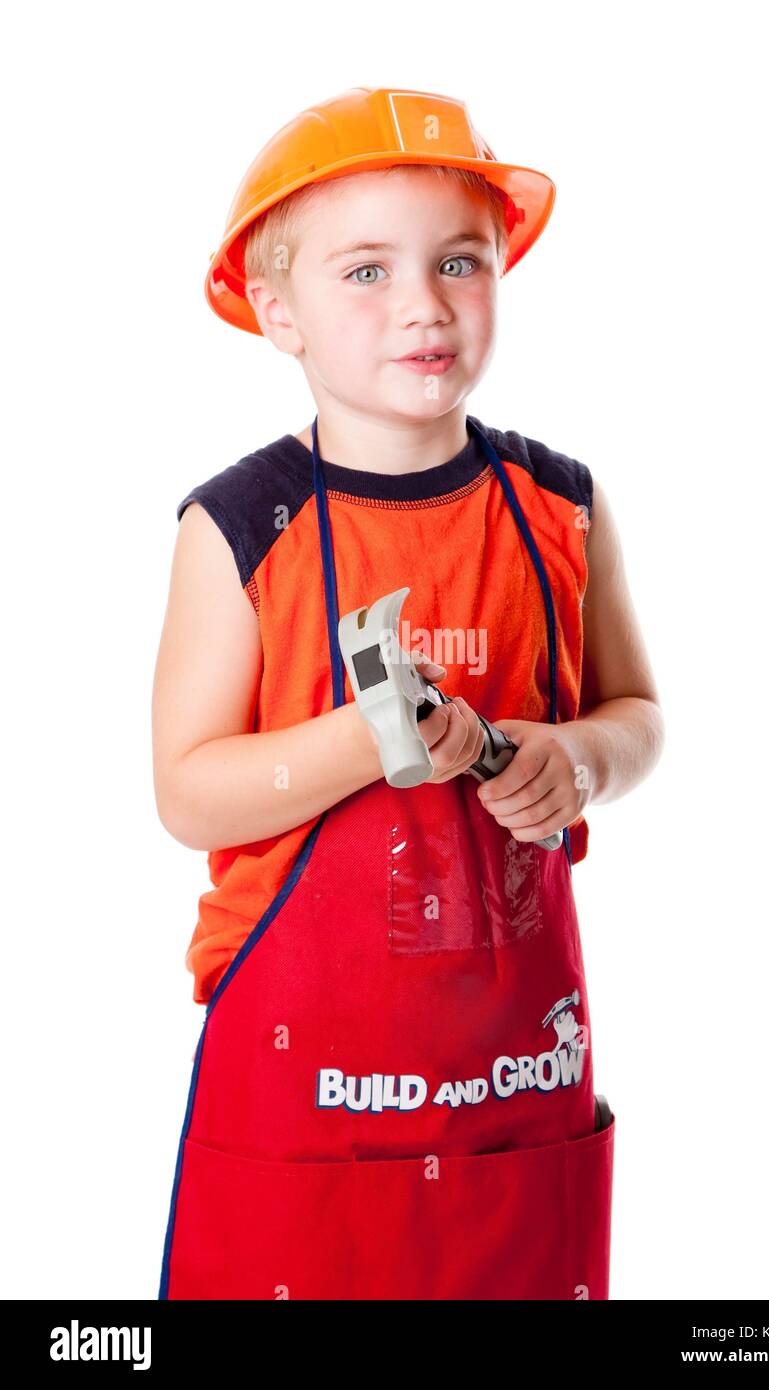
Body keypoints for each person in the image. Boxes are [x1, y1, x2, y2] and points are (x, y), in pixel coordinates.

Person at [153, 86, 664, 1301]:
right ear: (276, 311)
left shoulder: (559, 511)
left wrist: (577, 760)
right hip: (305, 1093)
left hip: (509, 1084)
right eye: (365, 271)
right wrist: (359, 741)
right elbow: (187, 790)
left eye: (457, 261)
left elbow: (635, 712)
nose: (424, 304)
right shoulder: (241, 528)